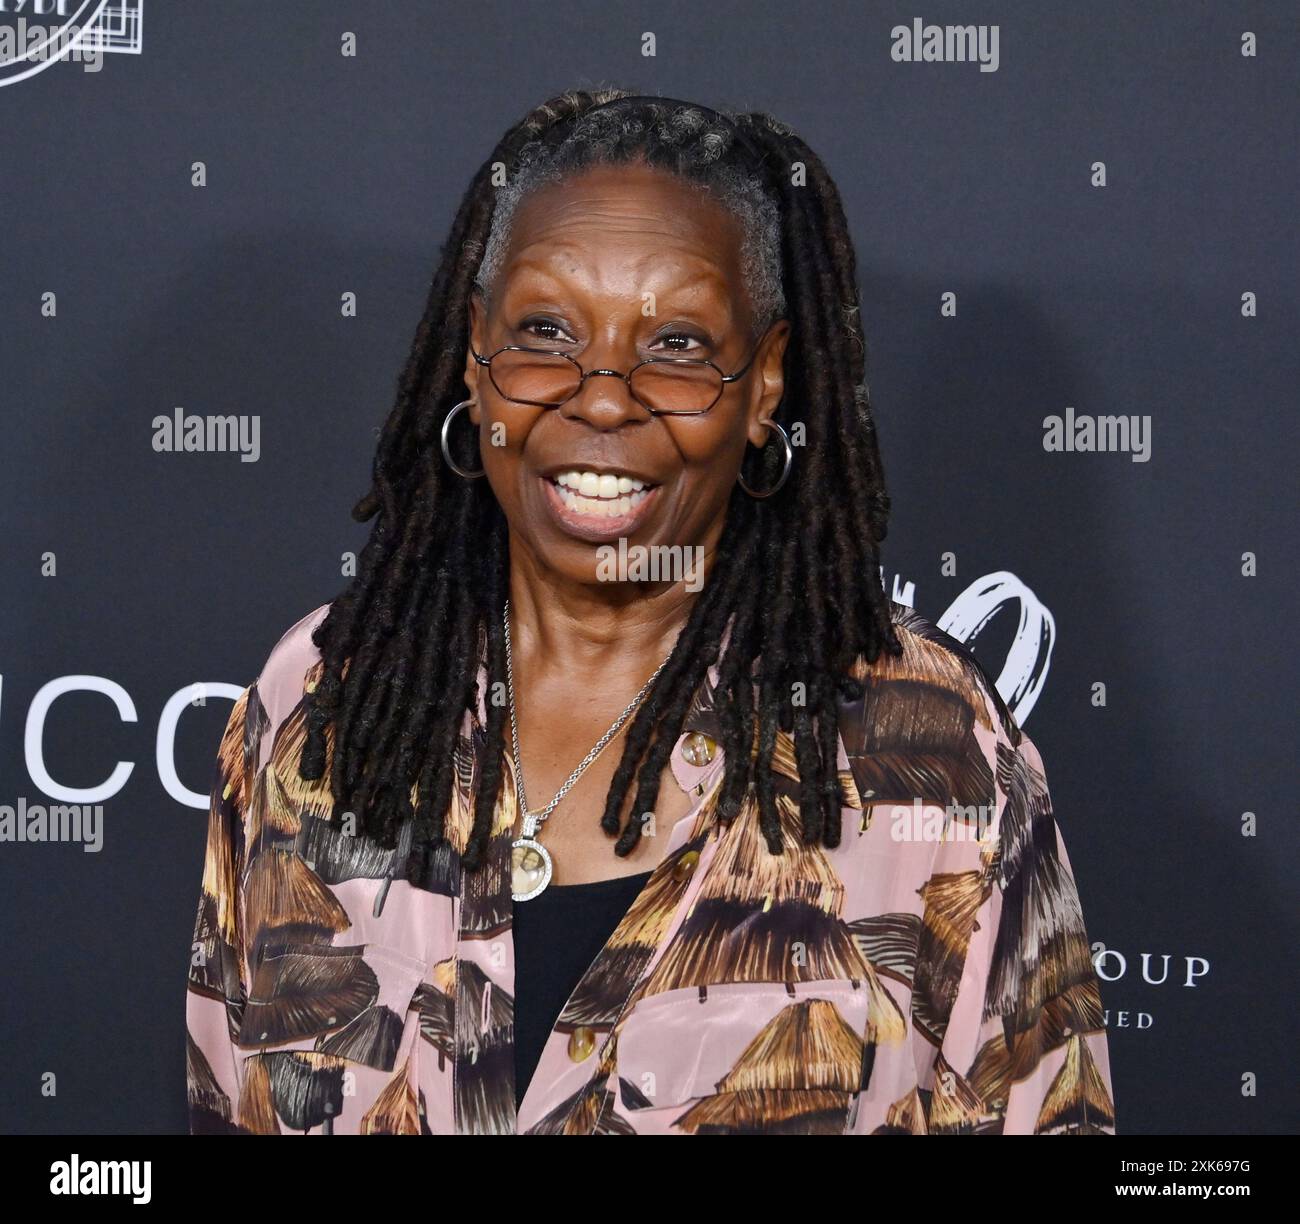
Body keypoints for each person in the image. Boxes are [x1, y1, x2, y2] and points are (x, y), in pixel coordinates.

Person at [184, 88, 1115, 1135]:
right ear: (472, 356)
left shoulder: (925, 747)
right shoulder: (324, 697)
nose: (603, 395)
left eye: (675, 344)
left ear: (764, 386)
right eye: (545, 329)